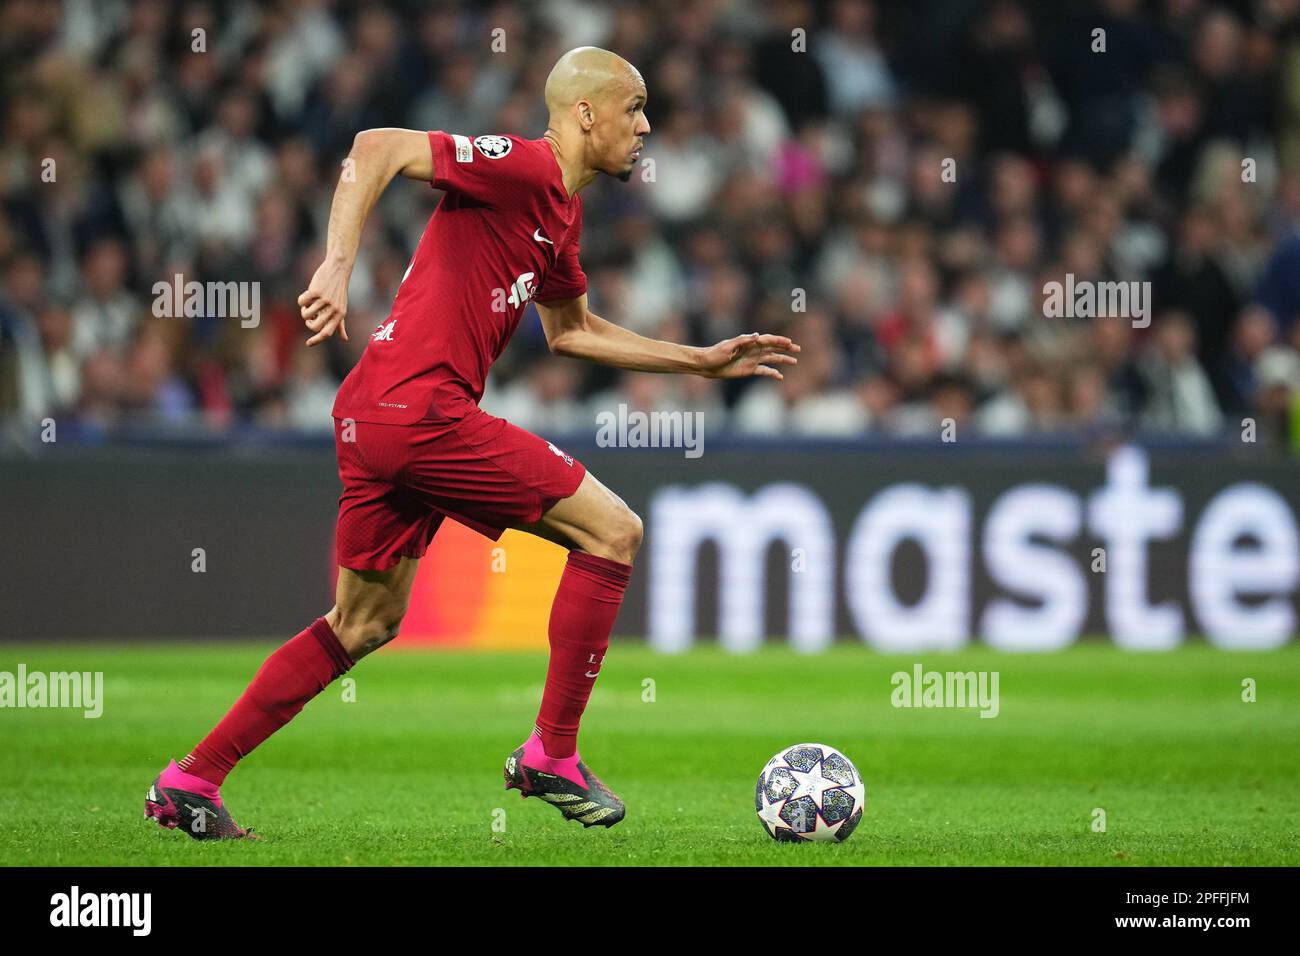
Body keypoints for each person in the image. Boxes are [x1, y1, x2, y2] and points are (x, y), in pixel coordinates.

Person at [144, 47, 800, 838]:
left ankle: (191, 779)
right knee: (614, 531)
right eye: (634, 106)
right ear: (585, 113)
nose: (646, 124)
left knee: (363, 623)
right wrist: (337, 265)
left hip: (374, 414)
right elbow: (374, 147)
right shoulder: (521, 167)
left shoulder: (561, 211)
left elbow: (571, 331)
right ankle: (552, 752)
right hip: (421, 411)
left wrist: (694, 360)